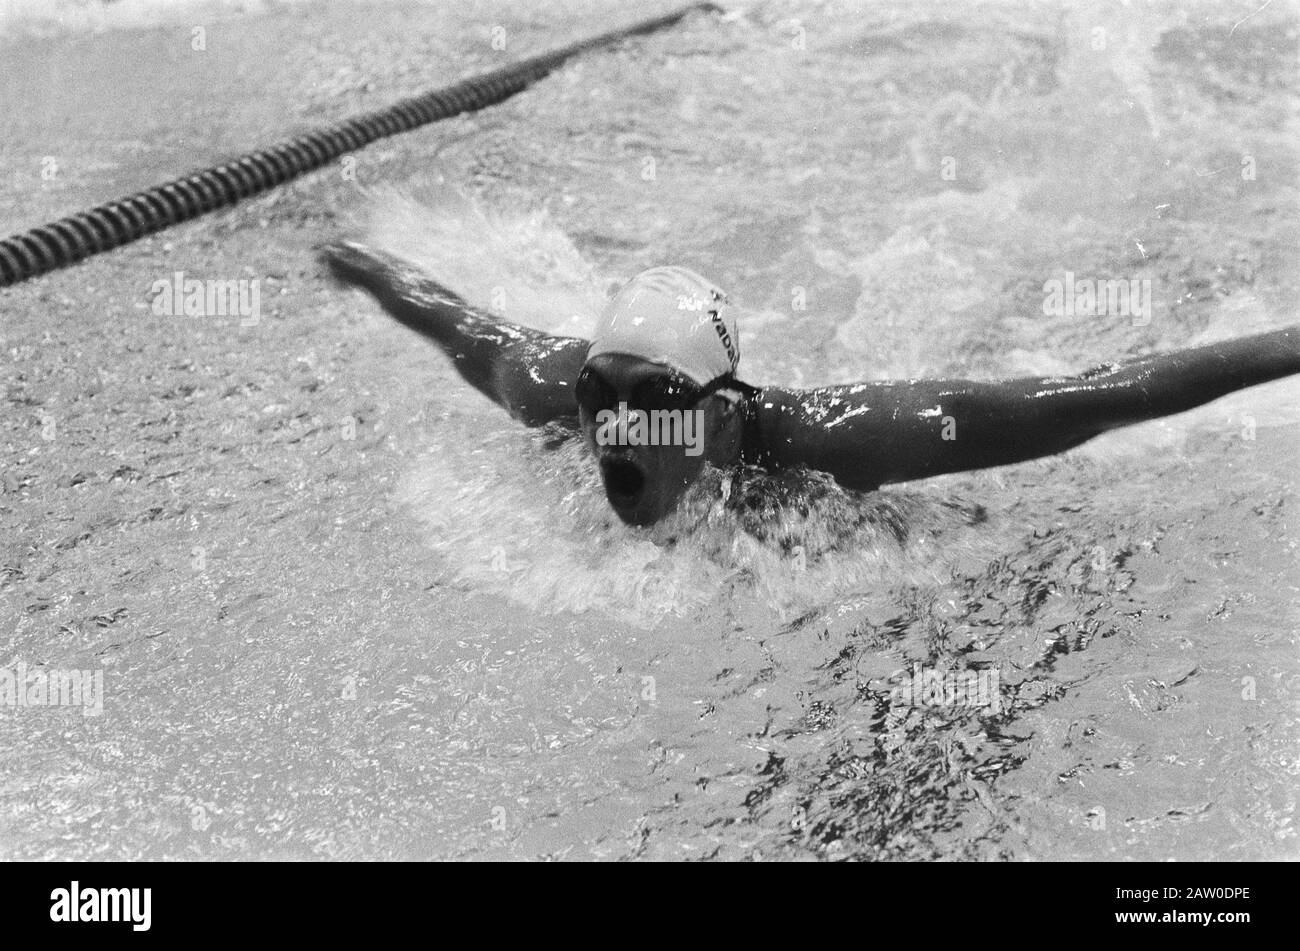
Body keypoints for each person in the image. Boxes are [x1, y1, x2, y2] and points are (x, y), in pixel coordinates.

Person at [324, 241, 1300, 526]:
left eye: (652, 407)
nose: (615, 431)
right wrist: (359, 266)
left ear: (718, 406)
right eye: (599, 395)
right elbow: (450, 318)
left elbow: (1094, 396)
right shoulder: (555, 393)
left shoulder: (836, 441)